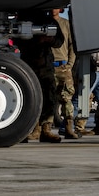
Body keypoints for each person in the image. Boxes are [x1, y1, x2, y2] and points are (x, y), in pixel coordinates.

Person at [15, 11, 63, 143]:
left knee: (49, 97)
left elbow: (59, 41)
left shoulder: (48, 21)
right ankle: (31, 128)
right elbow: (15, 39)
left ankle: (46, 129)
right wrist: (35, 40)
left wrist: (49, 39)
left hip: (45, 65)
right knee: (29, 97)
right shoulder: (23, 21)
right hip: (29, 64)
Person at [49, 8, 79, 139]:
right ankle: (44, 128)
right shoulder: (45, 23)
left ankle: (68, 128)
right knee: (48, 98)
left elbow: (72, 45)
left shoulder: (66, 24)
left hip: (63, 66)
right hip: (49, 65)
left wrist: (70, 64)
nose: (53, 9)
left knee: (66, 98)